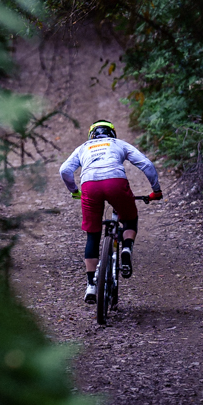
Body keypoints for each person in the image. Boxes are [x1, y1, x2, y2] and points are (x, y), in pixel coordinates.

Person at [59, 119, 162, 303]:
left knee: (92, 235)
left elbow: (65, 170)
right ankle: (127, 249)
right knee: (129, 218)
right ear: (112, 133)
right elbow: (146, 164)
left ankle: (91, 285)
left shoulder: (83, 147)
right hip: (116, 183)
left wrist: (75, 191)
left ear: (91, 134)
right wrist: (156, 190)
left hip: (89, 186)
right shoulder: (118, 143)